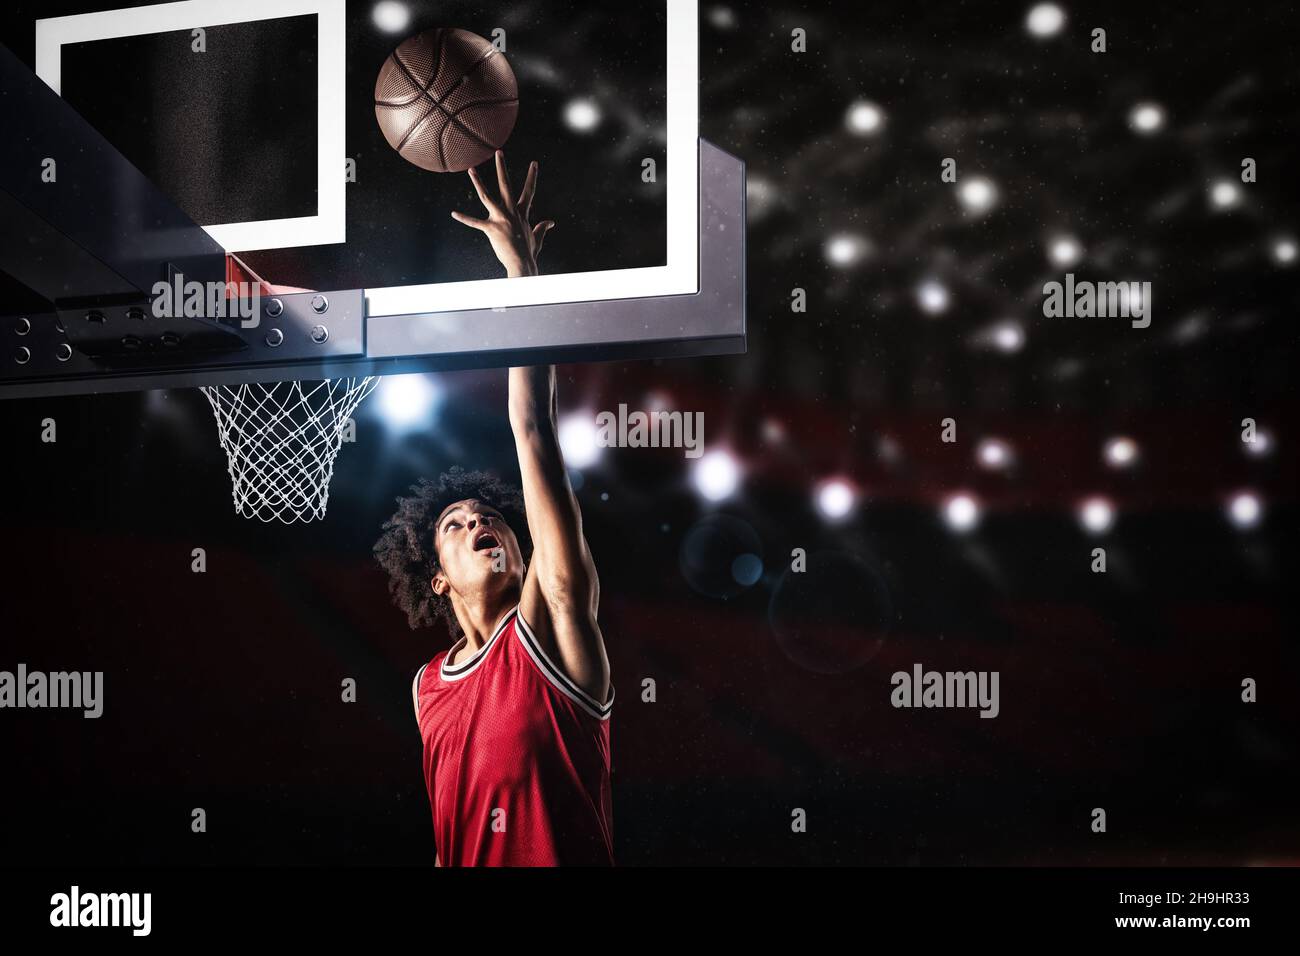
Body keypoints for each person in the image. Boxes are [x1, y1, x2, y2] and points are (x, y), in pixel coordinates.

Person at [373, 152, 613, 866]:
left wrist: (521, 277)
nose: (479, 521)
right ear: (436, 579)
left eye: (490, 516)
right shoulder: (426, 690)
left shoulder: (552, 618)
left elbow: (533, 431)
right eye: (454, 524)